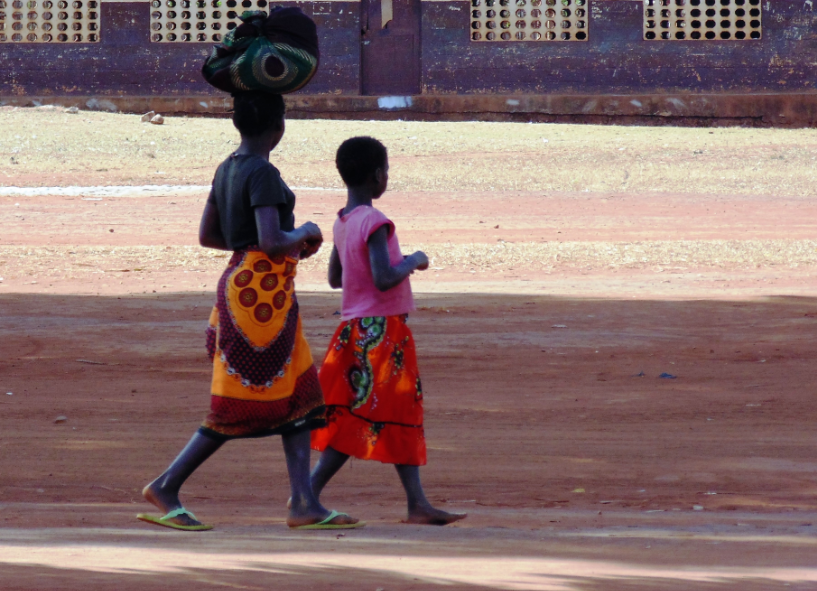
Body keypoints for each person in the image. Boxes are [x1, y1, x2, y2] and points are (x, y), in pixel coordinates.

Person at [137, 92, 361, 531]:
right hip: (260, 301)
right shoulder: (263, 173)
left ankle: (303, 501)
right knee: (235, 407)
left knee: (300, 397)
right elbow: (272, 240)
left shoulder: (227, 168)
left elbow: (210, 236)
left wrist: (283, 243)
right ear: (279, 126)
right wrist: (305, 231)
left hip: (250, 287)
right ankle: (166, 485)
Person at [309, 136, 467, 525]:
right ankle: (308, 494)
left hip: (353, 332)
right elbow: (383, 278)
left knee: (384, 413)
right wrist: (413, 260)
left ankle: (416, 503)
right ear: (378, 175)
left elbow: (334, 278)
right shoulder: (375, 222)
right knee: (379, 414)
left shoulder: (343, 221)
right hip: (381, 334)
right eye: (388, 170)